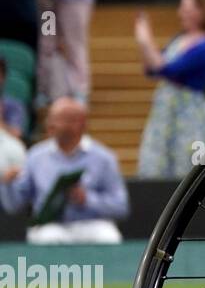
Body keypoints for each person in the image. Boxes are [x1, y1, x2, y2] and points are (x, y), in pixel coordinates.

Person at [0, 98, 128, 245]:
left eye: (60, 119)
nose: (51, 124)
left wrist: (87, 199)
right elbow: (14, 205)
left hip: (92, 222)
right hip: (50, 225)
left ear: (81, 124)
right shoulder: (35, 156)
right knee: (48, 238)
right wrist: (7, 184)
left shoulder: (104, 158)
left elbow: (121, 207)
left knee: (108, 237)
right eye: (50, 119)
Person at [135, 0, 205, 179]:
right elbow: (152, 70)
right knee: (155, 162)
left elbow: (170, 69)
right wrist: (143, 45)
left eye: (186, 8)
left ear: (203, 11)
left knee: (188, 164)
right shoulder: (178, 39)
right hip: (164, 112)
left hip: (189, 113)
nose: (180, 13)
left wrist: (145, 39)